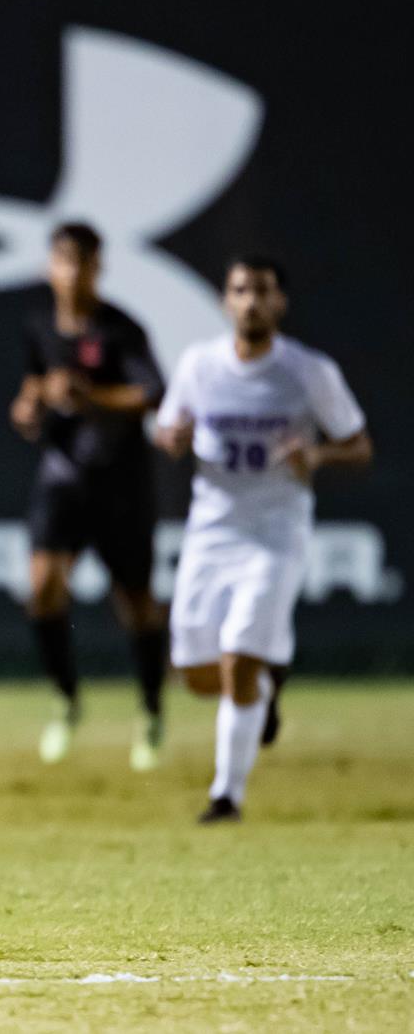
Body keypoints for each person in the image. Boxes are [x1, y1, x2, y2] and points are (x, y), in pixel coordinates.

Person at [155, 256, 369, 823]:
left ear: (280, 304)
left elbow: (358, 443)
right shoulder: (200, 364)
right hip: (211, 530)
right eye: (240, 290)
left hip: (276, 530)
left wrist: (318, 453)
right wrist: (171, 437)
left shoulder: (307, 371)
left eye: (262, 292)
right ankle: (268, 693)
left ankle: (227, 796)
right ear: (226, 300)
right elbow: (169, 426)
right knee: (198, 674)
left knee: (238, 665)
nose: (250, 301)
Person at [11, 222, 170, 770]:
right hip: (63, 476)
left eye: (83, 262)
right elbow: (34, 389)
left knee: (136, 604)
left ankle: (150, 710)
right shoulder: (39, 327)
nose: (72, 273)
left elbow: (153, 394)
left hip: (120, 480)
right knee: (42, 587)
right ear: (49, 267)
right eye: (63, 261)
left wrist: (90, 393)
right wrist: (30, 407)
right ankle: (65, 699)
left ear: (98, 268)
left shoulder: (120, 328)